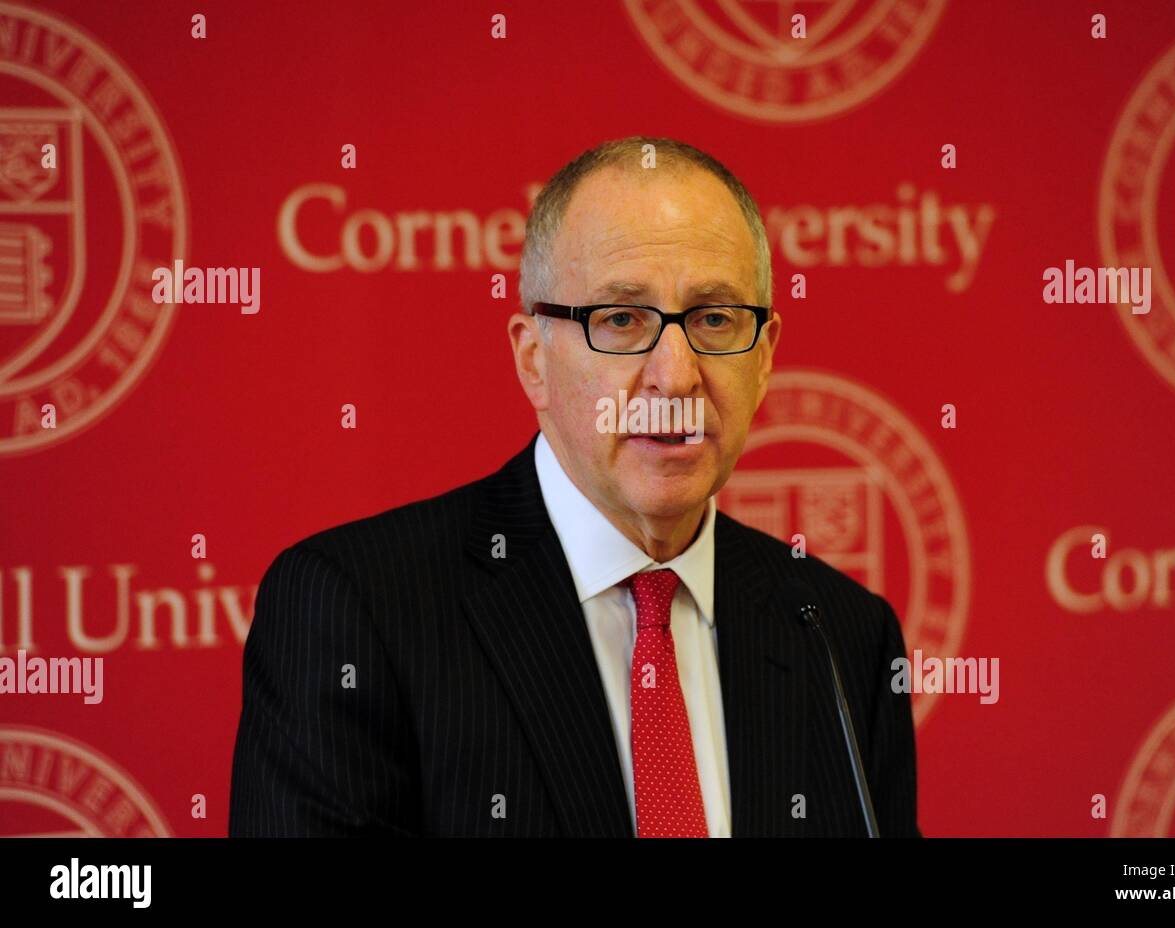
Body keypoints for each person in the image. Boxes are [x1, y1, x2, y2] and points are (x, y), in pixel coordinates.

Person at [229, 136, 920, 837]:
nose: (675, 375)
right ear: (534, 360)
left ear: (765, 357)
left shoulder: (840, 636)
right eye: (621, 320)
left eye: (714, 319)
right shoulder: (357, 610)